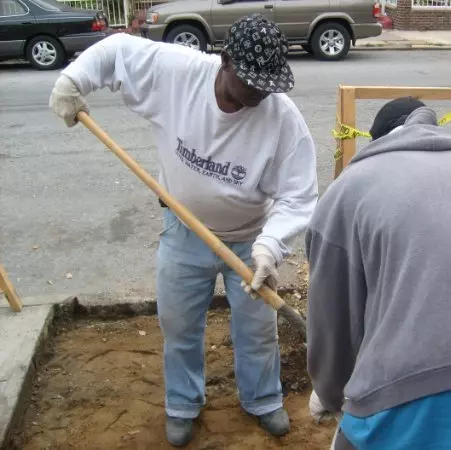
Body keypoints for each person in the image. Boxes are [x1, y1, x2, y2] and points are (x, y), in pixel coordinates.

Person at [49, 13, 318, 447]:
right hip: (183, 229)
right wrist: (72, 80)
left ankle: (263, 399)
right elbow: (117, 52)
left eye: (267, 85)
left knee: (257, 328)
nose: (259, 94)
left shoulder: (282, 120)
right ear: (225, 60)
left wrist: (270, 248)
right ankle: (182, 405)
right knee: (179, 324)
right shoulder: (178, 74)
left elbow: (299, 196)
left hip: (250, 239)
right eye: (250, 82)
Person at [304, 97, 451, 450]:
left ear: (378, 141)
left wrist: (329, 391)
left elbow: (333, 319)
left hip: (411, 392)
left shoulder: (350, 190)